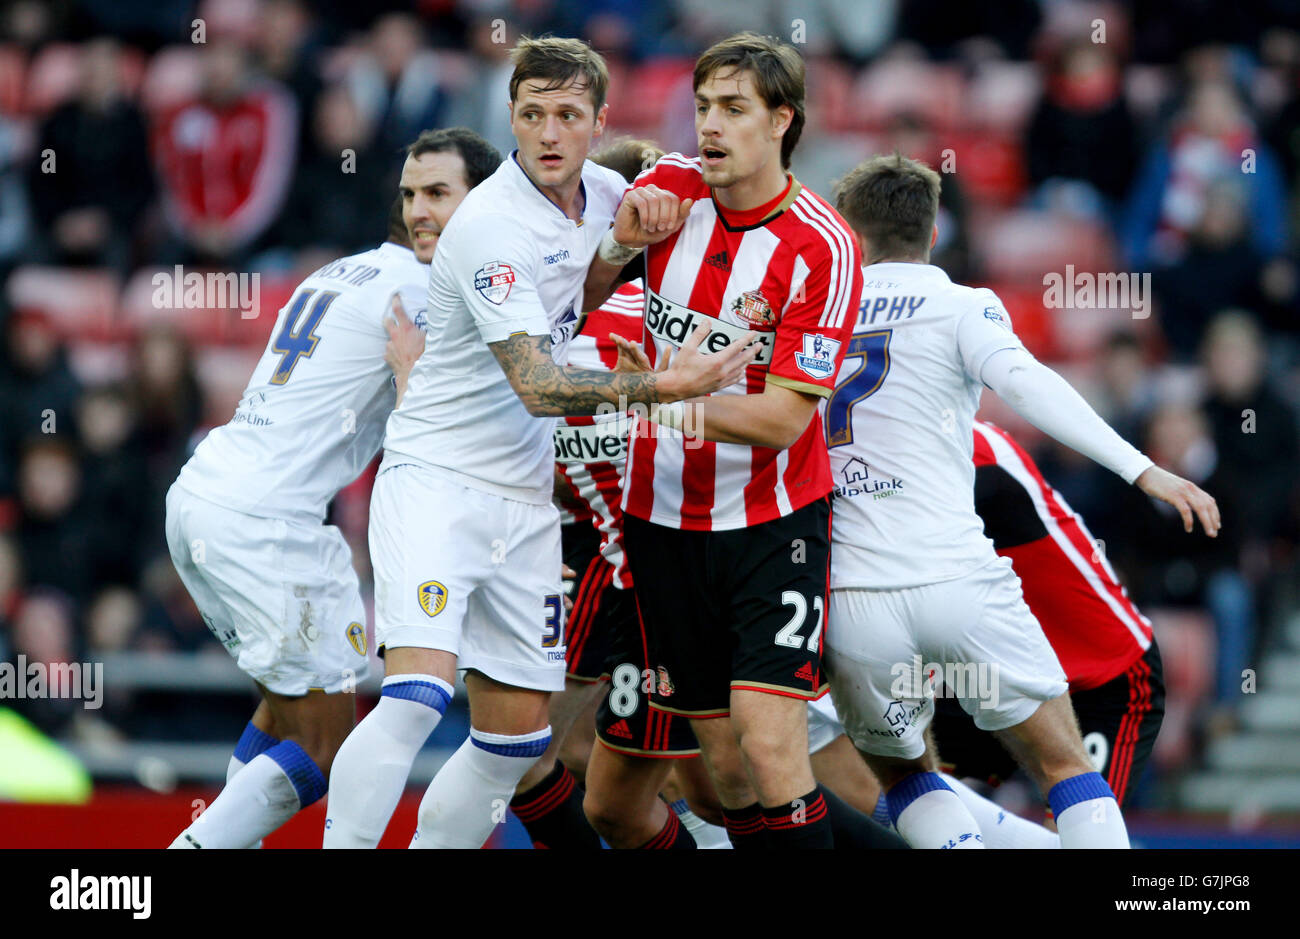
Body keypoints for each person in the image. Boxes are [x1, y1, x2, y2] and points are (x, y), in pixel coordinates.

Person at [323, 37, 758, 850]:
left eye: (566, 114)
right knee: (416, 694)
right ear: (511, 118)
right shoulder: (489, 224)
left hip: (523, 497)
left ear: (599, 120)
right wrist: (662, 385)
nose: (548, 132)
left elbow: (581, 296)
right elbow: (539, 383)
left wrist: (628, 240)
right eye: (530, 115)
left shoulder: (605, 193)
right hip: (439, 479)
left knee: (517, 742)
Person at [824, 152, 1218, 848]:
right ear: (934, 230)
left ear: (849, 237)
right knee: (1065, 769)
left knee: (907, 780)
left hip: (856, 600)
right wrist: (1142, 469)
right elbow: (1028, 383)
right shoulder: (960, 303)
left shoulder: (815, 325)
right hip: (957, 580)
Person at [164, 127, 500, 849]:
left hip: (205, 492)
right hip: (267, 522)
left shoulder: (341, 272)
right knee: (322, 745)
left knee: (286, 712)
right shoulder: (424, 290)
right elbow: (463, 418)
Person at [583, 31, 863, 849]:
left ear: (782, 121)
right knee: (729, 772)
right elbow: (579, 297)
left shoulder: (821, 247)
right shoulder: (667, 187)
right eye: (704, 106)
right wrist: (618, 242)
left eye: (734, 109)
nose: (710, 125)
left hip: (770, 526)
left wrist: (659, 399)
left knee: (772, 746)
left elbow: (783, 419)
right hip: (660, 522)